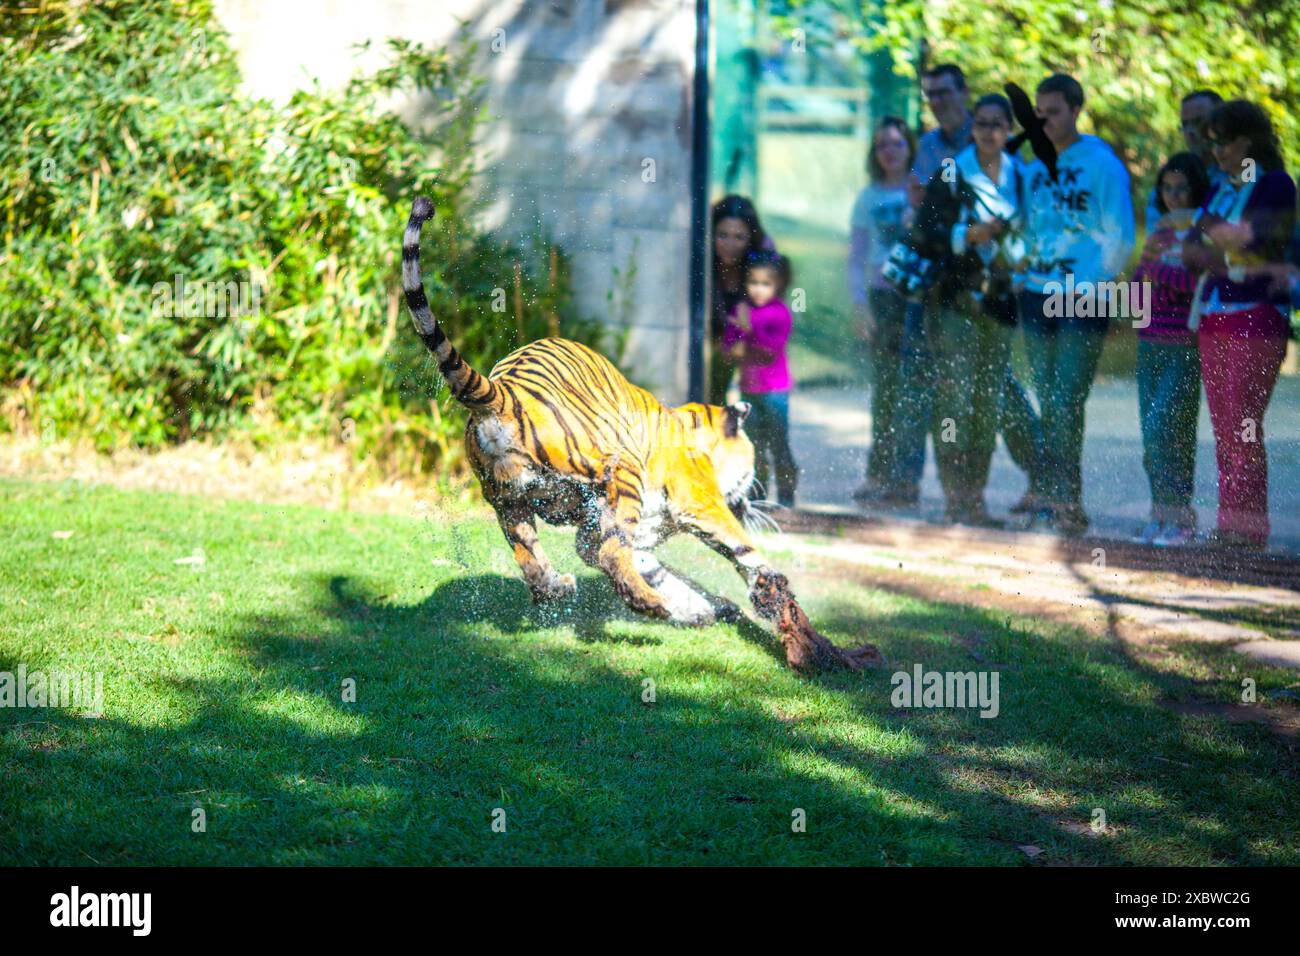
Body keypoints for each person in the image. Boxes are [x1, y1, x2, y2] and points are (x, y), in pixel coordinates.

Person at [1018, 73, 1136, 535]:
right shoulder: (1031, 168)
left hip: (1083, 295)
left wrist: (1090, 284)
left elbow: (1121, 236)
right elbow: (1022, 231)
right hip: (1035, 290)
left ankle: (1066, 501)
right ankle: (1051, 497)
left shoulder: (1102, 165)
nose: (1044, 121)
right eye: (1038, 113)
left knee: (1067, 397)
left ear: (1075, 109)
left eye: (1053, 111)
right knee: (1047, 397)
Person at [1182, 100, 1296, 550]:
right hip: (1214, 316)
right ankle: (1232, 524)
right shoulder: (1221, 189)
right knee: (1224, 425)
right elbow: (1194, 253)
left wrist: (1215, 238)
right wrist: (1223, 249)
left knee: (1243, 421)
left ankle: (1248, 528)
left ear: (1248, 141)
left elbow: (1260, 244)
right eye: (1212, 144)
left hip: (1258, 314)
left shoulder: (1276, 184)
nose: (1217, 153)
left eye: (1223, 143)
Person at [916, 93, 1029, 526]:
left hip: (1000, 301)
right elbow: (923, 233)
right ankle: (953, 496)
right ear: (972, 128)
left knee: (987, 402)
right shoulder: (951, 171)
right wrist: (969, 236)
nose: (988, 131)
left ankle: (975, 497)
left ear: (1008, 130)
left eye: (998, 124)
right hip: (953, 301)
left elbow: (1029, 230)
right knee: (954, 398)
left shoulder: (1020, 175)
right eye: (981, 123)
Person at [1131, 152, 1212, 546]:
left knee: (1170, 427)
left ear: (1196, 189)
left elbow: (1195, 283)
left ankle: (1182, 517)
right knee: (1150, 432)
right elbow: (1138, 280)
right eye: (1167, 188)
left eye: (1182, 188)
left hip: (1184, 343)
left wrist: (1154, 273)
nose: (1174, 196)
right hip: (1149, 341)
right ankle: (1159, 512)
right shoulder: (1160, 231)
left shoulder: (1202, 231)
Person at [848, 117, 918, 507]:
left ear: (909, 146)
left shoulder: (919, 191)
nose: (889, 151)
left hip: (918, 298)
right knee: (886, 392)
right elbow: (856, 259)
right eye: (881, 145)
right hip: (882, 300)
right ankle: (878, 475)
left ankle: (907, 481)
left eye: (896, 143)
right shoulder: (868, 198)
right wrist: (860, 306)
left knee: (916, 391)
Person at [722, 251, 798, 507]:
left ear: (778, 285)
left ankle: (787, 497)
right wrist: (735, 342)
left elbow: (771, 349)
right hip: (750, 389)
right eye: (753, 282)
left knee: (779, 443)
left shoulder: (780, 313)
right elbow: (730, 348)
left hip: (775, 391)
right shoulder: (742, 310)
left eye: (765, 284)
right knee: (755, 445)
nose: (758, 289)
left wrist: (747, 331)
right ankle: (758, 497)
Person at [709, 195, 770, 406]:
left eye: (739, 237)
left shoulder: (761, 270)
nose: (730, 244)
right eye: (722, 235)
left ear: (750, 239)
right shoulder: (702, 266)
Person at [1144, 90, 1226, 231]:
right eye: (1185, 124)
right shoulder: (1171, 177)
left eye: (1199, 122)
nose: (1190, 131)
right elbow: (1155, 239)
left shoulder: (1243, 173)